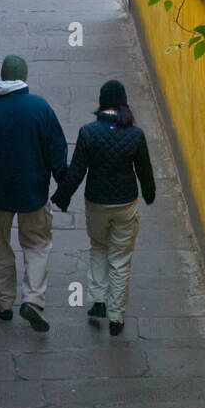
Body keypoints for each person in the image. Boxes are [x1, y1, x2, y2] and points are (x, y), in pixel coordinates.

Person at [0, 55, 68, 332]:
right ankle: (32, 300)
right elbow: (57, 152)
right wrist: (63, 188)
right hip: (34, 193)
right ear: (25, 77)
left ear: (2, 76)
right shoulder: (40, 108)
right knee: (37, 244)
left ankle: (4, 303)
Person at [52, 80, 155, 336]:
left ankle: (98, 301)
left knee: (98, 247)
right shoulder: (135, 134)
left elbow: (76, 171)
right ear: (123, 104)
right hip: (125, 204)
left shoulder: (88, 132)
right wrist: (149, 193)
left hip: (96, 202)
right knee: (120, 259)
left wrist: (62, 196)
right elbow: (145, 171)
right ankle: (117, 316)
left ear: (101, 103)